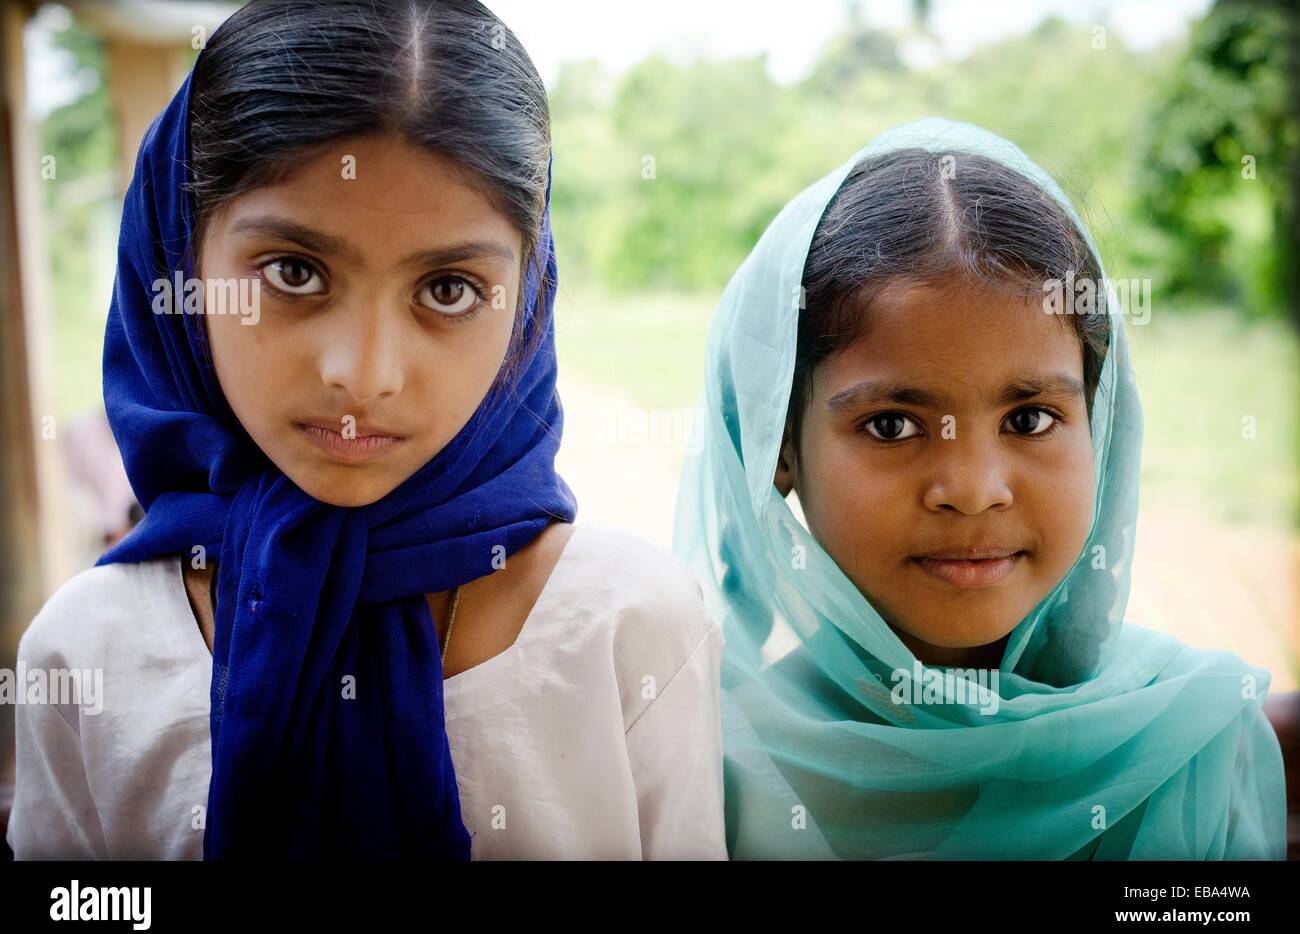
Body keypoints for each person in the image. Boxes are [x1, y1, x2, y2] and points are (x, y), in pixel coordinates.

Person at [8, 0, 724, 861]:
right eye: (294, 271)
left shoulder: (629, 626)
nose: (365, 371)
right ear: (177, 262)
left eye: (450, 289)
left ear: (528, 295)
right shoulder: (85, 651)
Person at [674, 118, 1286, 859]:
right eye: (893, 426)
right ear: (778, 448)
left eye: (1029, 418)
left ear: (1101, 424)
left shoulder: (1198, 737)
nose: (972, 490)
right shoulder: (705, 769)